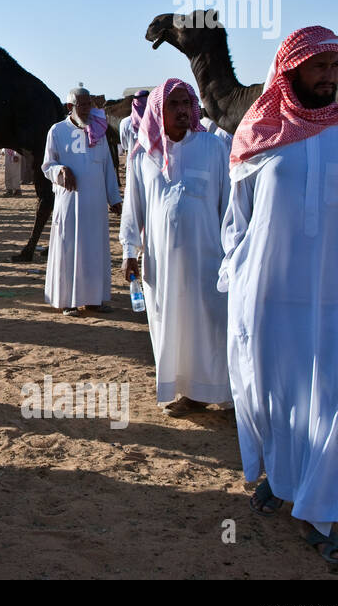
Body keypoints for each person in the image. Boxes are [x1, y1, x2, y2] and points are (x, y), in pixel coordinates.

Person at [220, 26, 338, 566]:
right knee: (276, 396)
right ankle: (281, 474)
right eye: (319, 66)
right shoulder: (256, 135)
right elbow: (236, 223)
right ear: (290, 69)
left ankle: (318, 517)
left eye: (334, 66)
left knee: (336, 404)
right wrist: (237, 280)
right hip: (272, 295)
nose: (329, 75)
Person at [120, 79, 232, 414]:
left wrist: (234, 252)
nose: (184, 110)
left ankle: (226, 393)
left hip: (209, 257)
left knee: (213, 323)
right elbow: (133, 208)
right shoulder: (143, 156)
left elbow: (229, 204)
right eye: (175, 104)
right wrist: (129, 251)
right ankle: (190, 392)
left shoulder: (213, 147)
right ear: (158, 110)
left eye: (188, 103)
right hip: (161, 262)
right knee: (172, 323)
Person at [43, 88, 122, 314]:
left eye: (89, 104)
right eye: (82, 105)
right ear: (70, 107)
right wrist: (61, 170)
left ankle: (94, 299)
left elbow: (107, 167)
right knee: (69, 249)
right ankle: (68, 301)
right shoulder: (57, 131)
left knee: (95, 250)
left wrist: (114, 197)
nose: (87, 109)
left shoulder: (98, 131)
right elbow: (47, 165)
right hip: (70, 203)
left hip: (96, 205)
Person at [118, 89, 148, 159]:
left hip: (133, 162)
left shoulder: (125, 122)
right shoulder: (155, 122)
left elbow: (125, 146)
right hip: (151, 163)